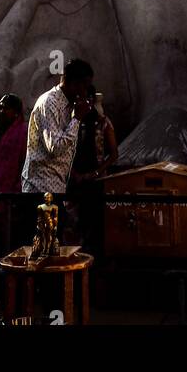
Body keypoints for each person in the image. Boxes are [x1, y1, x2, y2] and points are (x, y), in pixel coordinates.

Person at [23, 59, 94, 199]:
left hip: (57, 186)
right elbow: (55, 147)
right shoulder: (49, 103)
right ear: (74, 84)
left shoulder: (69, 105)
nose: (86, 93)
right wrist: (77, 118)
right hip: (41, 187)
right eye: (85, 87)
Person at [68, 91, 119, 255]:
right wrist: (74, 173)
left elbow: (113, 154)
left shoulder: (103, 123)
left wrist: (96, 173)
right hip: (76, 180)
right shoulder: (72, 122)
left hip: (96, 182)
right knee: (76, 223)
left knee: (95, 223)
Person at [0, 94, 28, 266]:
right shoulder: (3, 131)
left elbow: (24, 159)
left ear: (16, 112)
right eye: (0, 107)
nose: (1, 111)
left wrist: (18, 185)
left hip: (12, 191)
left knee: (10, 235)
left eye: (5, 108)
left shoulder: (23, 130)